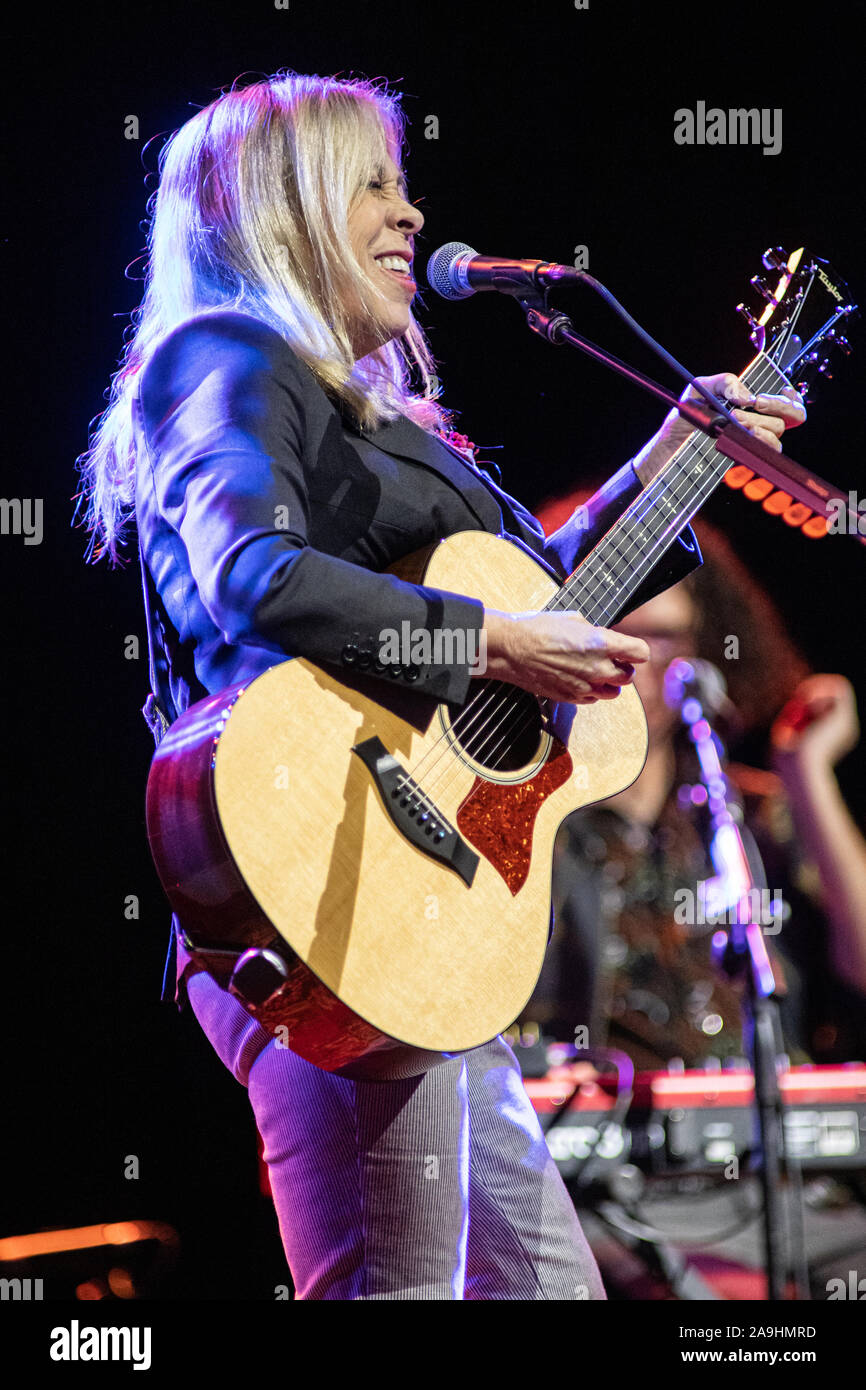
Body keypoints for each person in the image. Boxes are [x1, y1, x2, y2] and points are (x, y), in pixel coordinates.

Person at [75, 70, 805, 1300]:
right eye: (371, 183)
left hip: (422, 918)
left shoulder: (381, 424)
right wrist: (486, 645)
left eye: (403, 184)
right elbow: (252, 577)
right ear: (278, 207)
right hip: (326, 887)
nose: (410, 215)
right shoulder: (223, 355)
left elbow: (543, 604)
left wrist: (683, 457)